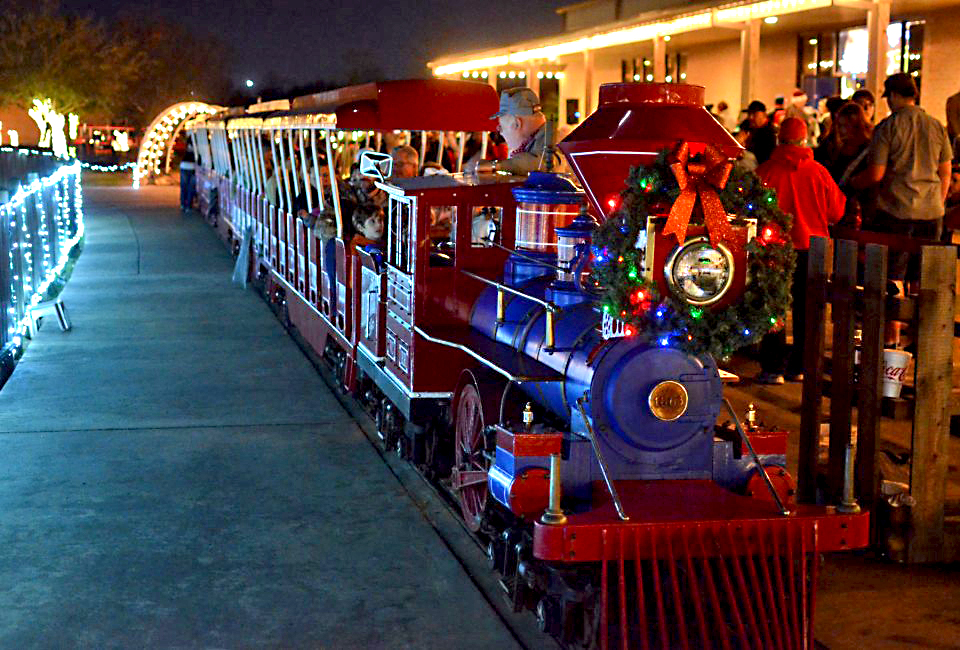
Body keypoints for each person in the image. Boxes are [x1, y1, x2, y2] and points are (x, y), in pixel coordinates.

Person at [754, 117, 846, 384]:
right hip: (812, 250)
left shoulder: (765, 172)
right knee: (808, 311)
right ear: (805, 141)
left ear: (779, 140)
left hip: (775, 251)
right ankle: (801, 367)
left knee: (775, 309)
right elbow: (837, 212)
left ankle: (773, 368)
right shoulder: (819, 173)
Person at [864, 72, 953, 346]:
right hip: (932, 212)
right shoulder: (936, 126)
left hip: (896, 211)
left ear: (892, 96)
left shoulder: (887, 128)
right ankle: (920, 338)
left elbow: (876, 174)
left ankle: (892, 338)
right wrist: (936, 201)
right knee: (923, 277)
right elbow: (945, 171)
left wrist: (853, 182)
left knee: (894, 277)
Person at [467, 87, 547, 175]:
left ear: (517, 124)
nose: (499, 131)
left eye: (501, 126)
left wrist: (494, 165)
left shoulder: (555, 140)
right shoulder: (540, 137)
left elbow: (541, 164)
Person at [831, 102, 875, 227]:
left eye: (845, 126)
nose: (841, 130)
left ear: (856, 126)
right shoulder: (839, 149)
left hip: (860, 210)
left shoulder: (867, 151)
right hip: (843, 210)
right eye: (839, 126)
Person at [743, 100, 777, 165]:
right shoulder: (747, 126)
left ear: (764, 115)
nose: (750, 117)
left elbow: (764, 157)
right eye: (749, 114)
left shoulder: (769, 133)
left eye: (754, 114)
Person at [179, 140, 196, 212]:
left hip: (184, 166)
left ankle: (183, 204)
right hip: (192, 168)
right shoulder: (197, 148)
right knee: (190, 188)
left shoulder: (185, 147)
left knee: (184, 187)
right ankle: (188, 205)